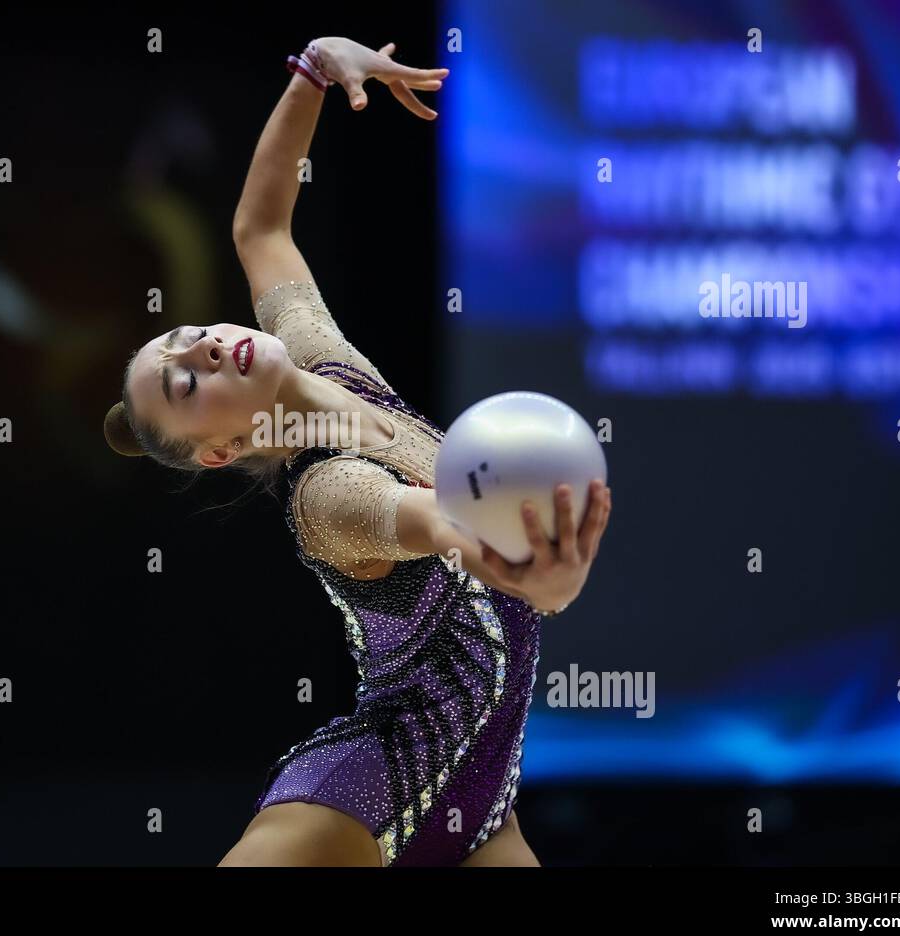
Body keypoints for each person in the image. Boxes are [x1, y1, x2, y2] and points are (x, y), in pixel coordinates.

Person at [103, 36, 612, 866]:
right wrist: (541, 579)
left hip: (487, 815)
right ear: (224, 449)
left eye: (187, 338)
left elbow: (260, 227)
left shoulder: (329, 361)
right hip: (362, 791)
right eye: (187, 386)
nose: (201, 351)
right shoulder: (327, 495)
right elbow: (450, 528)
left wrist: (313, 68)